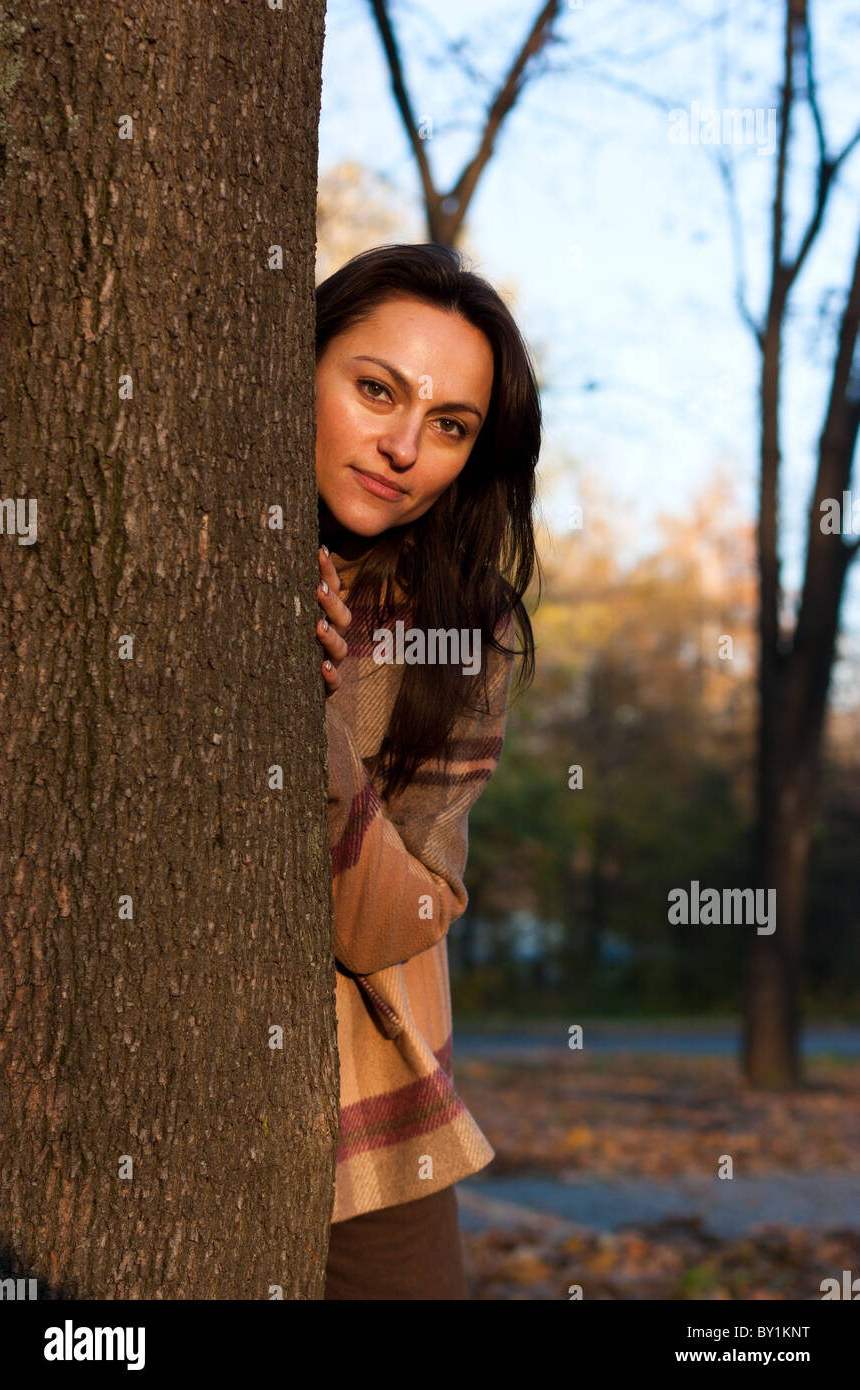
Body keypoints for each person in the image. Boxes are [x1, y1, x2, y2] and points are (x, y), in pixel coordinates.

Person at [312, 242, 542, 1299]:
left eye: (447, 424)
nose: (403, 446)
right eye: (373, 389)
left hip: (366, 1121)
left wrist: (302, 716)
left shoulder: (463, 627)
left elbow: (389, 921)